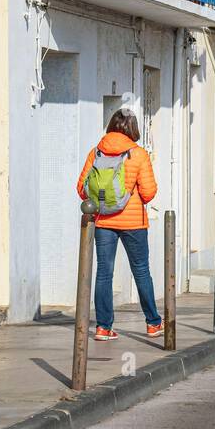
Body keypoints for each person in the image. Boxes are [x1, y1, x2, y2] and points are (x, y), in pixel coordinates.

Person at [77, 108, 163, 342]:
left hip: (103, 220)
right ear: (133, 128)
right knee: (141, 271)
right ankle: (153, 323)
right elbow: (148, 192)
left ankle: (103, 327)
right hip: (133, 221)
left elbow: (81, 188)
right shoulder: (138, 154)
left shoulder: (96, 152)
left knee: (104, 272)